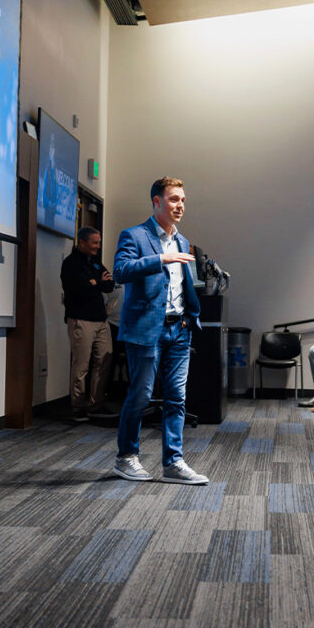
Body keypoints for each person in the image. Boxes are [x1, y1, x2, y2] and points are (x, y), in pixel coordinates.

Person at [111, 177, 207, 485]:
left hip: (178, 330)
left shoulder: (182, 241)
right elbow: (120, 271)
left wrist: (193, 314)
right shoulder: (134, 235)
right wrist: (160, 259)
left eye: (183, 200)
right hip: (146, 331)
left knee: (177, 398)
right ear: (156, 201)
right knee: (140, 397)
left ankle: (173, 463)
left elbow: (185, 283)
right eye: (174, 199)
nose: (180, 205)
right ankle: (126, 458)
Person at [60, 226, 114, 420]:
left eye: (99, 243)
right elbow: (81, 289)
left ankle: (95, 404)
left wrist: (96, 283)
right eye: (95, 243)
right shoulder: (70, 264)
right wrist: (96, 284)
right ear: (82, 243)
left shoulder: (96, 264)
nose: (98, 246)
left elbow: (109, 285)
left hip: (101, 320)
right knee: (81, 365)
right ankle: (78, 407)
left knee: (104, 360)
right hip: (81, 320)